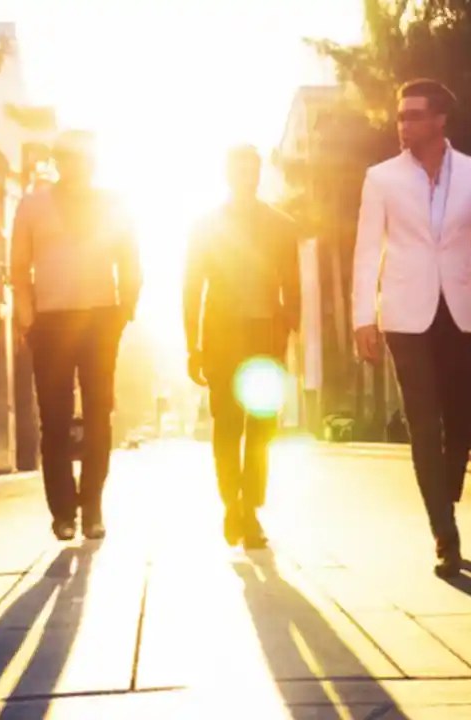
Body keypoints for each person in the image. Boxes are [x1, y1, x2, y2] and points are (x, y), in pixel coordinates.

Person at [352, 79, 471, 579]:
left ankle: (445, 491)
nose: (403, 124)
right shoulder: (380, 179)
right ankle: (445, 531)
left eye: (413, 115)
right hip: (405, 315)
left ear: (440, 120)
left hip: (460, 311)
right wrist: (363, 317)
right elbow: (365, 251)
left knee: (460, 420)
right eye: (399, 116)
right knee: (424, 422)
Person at [11, 130, 141, 542]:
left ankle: (93, 507)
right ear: (57, 159)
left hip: (101, 318)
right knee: (55, 419)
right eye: (68, 156)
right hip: (50, 322)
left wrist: (125, 311)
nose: (76, 163)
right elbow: (18, 267)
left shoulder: (112, 203)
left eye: (84, 156)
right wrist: (28, 319)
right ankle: (63, 512)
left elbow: (130, 259)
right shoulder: (33, 205)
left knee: (100, 414)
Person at [184, 145, 300, 549]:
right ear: (227, 175)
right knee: (228, 426)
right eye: (237, 169)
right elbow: (191, 287)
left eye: (251, 169)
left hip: (265, 338)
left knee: (262, 427)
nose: (244, 176)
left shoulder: (281, 225)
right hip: (222, 338)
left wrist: (290, 329)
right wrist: (193, 346)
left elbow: (293, 284)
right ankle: (232, 501)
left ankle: (248, 505)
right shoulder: (205, 226)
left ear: (258, 173)